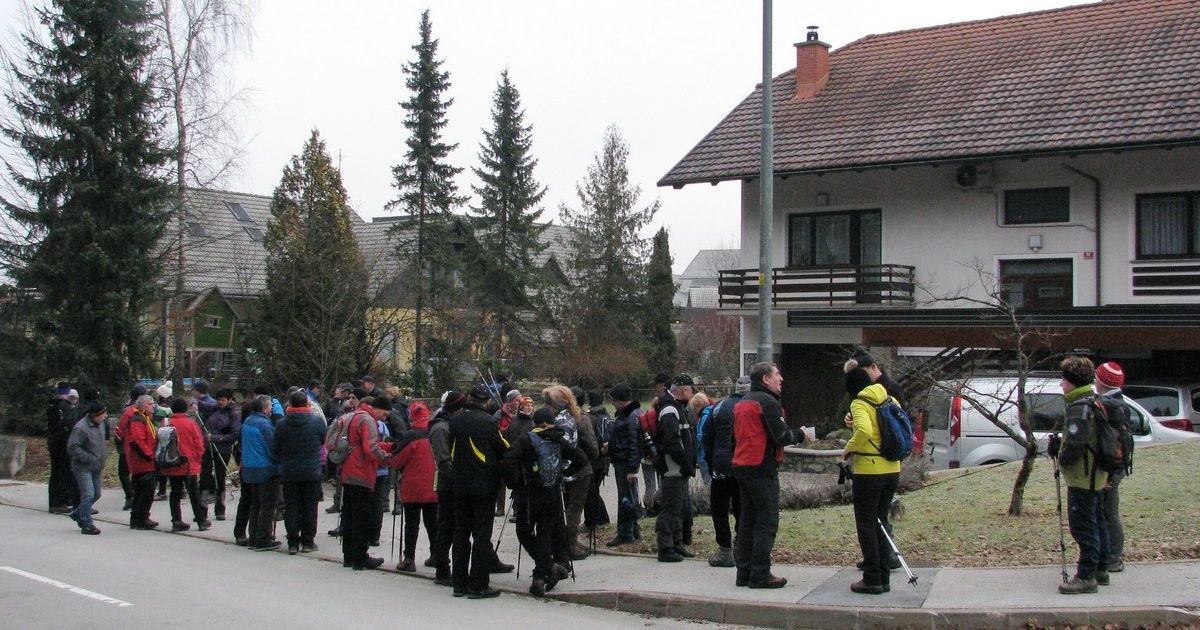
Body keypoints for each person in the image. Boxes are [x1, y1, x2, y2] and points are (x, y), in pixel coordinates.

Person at [731, 362, 808, 588]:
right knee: (766, 521)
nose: (781, 379)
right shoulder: (768, 402)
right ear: (765, 379)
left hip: (742, 466)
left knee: (747, 521)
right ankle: (760, 573)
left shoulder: (742, 402)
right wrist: (801, 434)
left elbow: (733, 438)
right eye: (777, 375)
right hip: (762, 468)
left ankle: (744, 572)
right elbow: (781, 436)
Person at [504, 406, 588, 597]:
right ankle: (541, 576)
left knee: (523, 531)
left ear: (535, 422)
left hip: (530, 493)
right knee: (545, 534)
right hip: (553, 494)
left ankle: (546, 569)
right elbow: (581, 458)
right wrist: (564, 474)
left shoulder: (527, 439)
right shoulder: (558, 438)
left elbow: (509, 458)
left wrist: (515, 483)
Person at [1052, 356, 1110, 594]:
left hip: (1083, 477)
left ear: (1073, 381)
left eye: (1064, 380)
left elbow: (1075, 445)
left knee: (1083, 528)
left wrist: (1060, 456)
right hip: (1097, 476)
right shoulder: (1095, 401)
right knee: (1098, 523)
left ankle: (1086, 576)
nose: (1061, 384)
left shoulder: (1079, 407)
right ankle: (1101, 569)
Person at [447, 385, 510, 599]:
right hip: (484, 484)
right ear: (487, 401)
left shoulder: (455, 420)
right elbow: (503, 447)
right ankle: (478, 584)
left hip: (460, 483)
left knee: (461, 533)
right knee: (482, 535)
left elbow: (451, 447)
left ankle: (459, 583)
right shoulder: (488, 422)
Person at [844, 367, 902, 594]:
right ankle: (883, 576)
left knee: (867, 524)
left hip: (869, 470)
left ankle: (872, 578)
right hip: (892, 468)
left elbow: (865, 432)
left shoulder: (859, 403)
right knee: (881, 522)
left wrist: (849, 448)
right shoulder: (889, 400)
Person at [338, 396, 394, 570]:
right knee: (362, 517)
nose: (384, 418)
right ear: (378, 408)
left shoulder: (356, 415)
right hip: (361, 471)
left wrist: (386, 447)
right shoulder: (368, 420)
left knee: (349, 515)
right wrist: (388, 458)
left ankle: (348, 556)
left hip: (349, 470)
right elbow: (370, 448)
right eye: (384, 414)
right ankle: (361, 557)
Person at [543, 385, 596, 561]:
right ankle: (569, 543)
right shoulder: (579, 418)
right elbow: (592, 447)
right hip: (576, 469)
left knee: (567, 508)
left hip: (568, 469)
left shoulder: (555, 420)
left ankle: (566, 541)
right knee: (573, 509)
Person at [702, 376, 749, 568]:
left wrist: (712, 463)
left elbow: (706, 437)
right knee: (742, 507)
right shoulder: (752, 406)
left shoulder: (720, 406)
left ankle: (724, 549)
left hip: (720, 466)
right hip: (744, 466)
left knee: (719, 509)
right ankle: (741, 546)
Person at [274, 389, 326, 555]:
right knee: (310, 507)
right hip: (311, 471)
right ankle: (308, 541)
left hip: (289, 471)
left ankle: (293, 542)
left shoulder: (282, 424)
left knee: (291, 507)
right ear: (307, 404)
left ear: (290, 404)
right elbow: (323, 441)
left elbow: (276, 447)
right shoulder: (317, 421)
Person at [391, 401, 437, 572]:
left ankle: (409, 559)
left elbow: (396, 461)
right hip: (433, 485)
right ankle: (437, 555)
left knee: (411, 525)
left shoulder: (410, 436)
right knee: (433, 523)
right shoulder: (436, 432)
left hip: (412, 486)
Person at [1093, 361, 1129, 574]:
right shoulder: (1120, 403)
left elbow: (1108, 443)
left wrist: (1107, 472)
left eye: (1097, 378)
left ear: (1103, 382)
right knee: (1108, 512)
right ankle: (1111, 555)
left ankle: (1114, 557)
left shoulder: (1109, 405)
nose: (1094, 381)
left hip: (1111, 467)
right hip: (1117, 466)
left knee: (1109, 513)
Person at [161, 398, 211, 533]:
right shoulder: (191, 424)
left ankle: (176, 520)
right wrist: (198, 459)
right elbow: (199, 444)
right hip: (189, 463)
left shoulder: (166, 423)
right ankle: (201, 520)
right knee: (194, 493)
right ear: (185, 409)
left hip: (171, 462)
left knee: (175, 493)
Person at [239, 395, 280, 550]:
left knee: (255, 505)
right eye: (270, 406)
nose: (272, 409)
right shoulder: (264, 425)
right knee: (267, 505)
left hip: (250, 468)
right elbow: (272, 448)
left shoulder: (247, 422)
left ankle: (254, 537)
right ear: (264, 408)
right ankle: (263, 538)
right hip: (265, 469)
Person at [606, 384, 643, 546]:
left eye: (613, 400)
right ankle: (633, 530)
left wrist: (632, 469)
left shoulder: (630, 416)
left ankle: (625, 533)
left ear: (620, 400)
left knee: (625, 498)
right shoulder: (630, 414)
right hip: (623, 461)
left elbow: (634, 443)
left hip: (625, 463)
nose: (612, 403)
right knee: (629, 497)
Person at [67, 401, 109, 535]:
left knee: (96, 494)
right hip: (83, 467)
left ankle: (78, 513)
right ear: (95, 415)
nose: (106, 416)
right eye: (103, 414)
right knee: (88, 494)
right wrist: (88, 458)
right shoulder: (81, 428)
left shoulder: (101, 425)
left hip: (96, 466)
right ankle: (86, 523)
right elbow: (72, 447)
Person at [202, 388, 240, 521]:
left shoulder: (233, 414)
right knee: (205, 477)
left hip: (223, 449)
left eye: (223, 400)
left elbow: (234, 435)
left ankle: (220, 508)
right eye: (219, 400)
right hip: (208, 448)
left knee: (220, 478)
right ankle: (202, 509)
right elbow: (201, 402)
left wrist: (216, 438)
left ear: (229, 400)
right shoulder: (214, 409)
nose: (220, 402)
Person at [123, 395, 159, 530]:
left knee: (140, 491)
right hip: (143, 461)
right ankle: (141, 518)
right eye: (150, 404)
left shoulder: (144, 418)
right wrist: (149, 455)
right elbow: (137, 440)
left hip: (143, 460)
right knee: (146, 492)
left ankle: (137, 518)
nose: (153, 406)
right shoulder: (138, 419)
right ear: (142, 406)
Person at [47, 382, 79, 514]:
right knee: (64, 473)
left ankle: (53, 502)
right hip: (63, 444)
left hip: (53, 442)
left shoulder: (52, 405)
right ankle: (61, 502)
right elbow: (68, 425)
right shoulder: (65, 407)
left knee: (55, 473)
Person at [583, 389, 612, 536]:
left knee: (590, 492)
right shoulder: (606, 416)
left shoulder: (589, 418)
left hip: (593, 459)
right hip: (604, 460)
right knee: (594, 490)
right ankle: (602, 518)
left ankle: (592, 522)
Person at [114, 385, 146, 511]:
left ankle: (130, 495)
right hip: (140, 445)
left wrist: (119, 441)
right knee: (137, 471)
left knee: (124, 472)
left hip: (127, 445)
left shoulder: (128, 410)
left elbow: (119, 429)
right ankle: (135, 494)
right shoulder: (146, 410)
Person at [642, 372, 671, 511]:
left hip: (647, 456)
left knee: (650, 485)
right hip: (660, 454)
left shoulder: (648, 416)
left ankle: (649, 507)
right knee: (662, 483)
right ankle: (660, 504)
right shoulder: (664, 413)